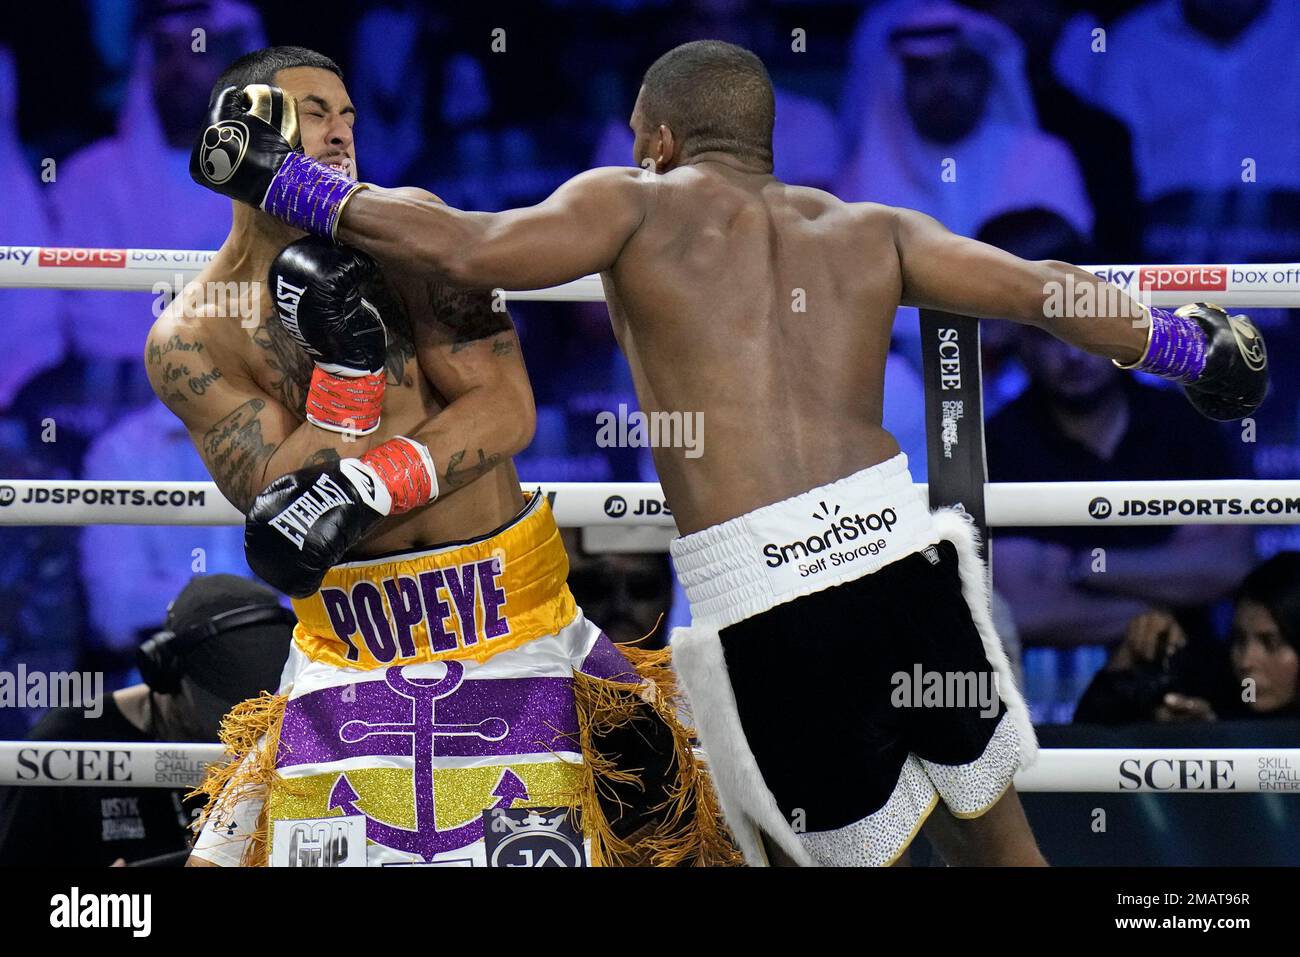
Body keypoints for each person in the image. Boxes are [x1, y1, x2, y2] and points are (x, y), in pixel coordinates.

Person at [190, 39, 1269, 867]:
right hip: (909, 567)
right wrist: (1187, 344)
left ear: (654, 139)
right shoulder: (872, 229)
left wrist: (290, 183)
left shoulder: (634, 206)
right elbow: (1045, 293)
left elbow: (472, 248)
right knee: (1004, 852)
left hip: (776, 603)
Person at [157, 47, 730, 868]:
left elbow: (505, 409)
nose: (340, 133)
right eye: (314, 113)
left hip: (509, 616)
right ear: (240, 133)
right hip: (349, 641)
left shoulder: (411, 234)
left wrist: (370, 479)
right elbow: (282, 515)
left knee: (676, 837)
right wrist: (348, 375)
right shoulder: (192, 334)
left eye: (350, 115)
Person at [0, 574, 293, 867]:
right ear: (162, 674)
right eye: (222, 717)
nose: (239, 741)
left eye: (262, 722)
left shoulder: (298, 738)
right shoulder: (67, 742)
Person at [1076, 552, 1300, 724]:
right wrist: (1126, 659)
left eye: (1271, 643)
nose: (1245, 662)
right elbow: (1083, 741)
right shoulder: (1213, 684)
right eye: (1239, 640)